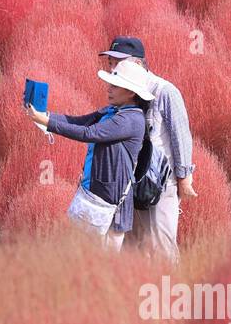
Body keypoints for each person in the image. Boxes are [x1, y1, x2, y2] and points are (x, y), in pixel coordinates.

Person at [25, 58, 152, 251]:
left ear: (131, 92)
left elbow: (89, 133)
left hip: (112, 202)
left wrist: (47, 123)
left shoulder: (131, 119)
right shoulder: (112, 111)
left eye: (115, 86)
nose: (108, 88)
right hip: (93, 194)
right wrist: (45, 116)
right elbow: (80, 122)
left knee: (104, 265)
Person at [98, 36, 196, 264]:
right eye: (110, 63)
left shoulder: (165, 91)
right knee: (132, 247)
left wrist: (184, 178)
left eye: (116, 62)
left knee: (162, 248)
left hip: (160, 184)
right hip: (129, 183)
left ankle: (168, 295)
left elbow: (181, 136)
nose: (112, 68)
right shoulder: (122, 91)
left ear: (137, 63)